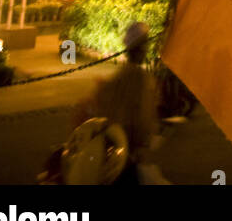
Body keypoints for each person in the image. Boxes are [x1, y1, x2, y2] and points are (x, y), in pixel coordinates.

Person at [72, 21, 169, 184]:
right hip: (126, 151)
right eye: (144, 45)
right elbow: (143, 118)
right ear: (139, 49)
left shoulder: (121, 78)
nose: (145, 49)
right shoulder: (139, 79)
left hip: (116, 148)